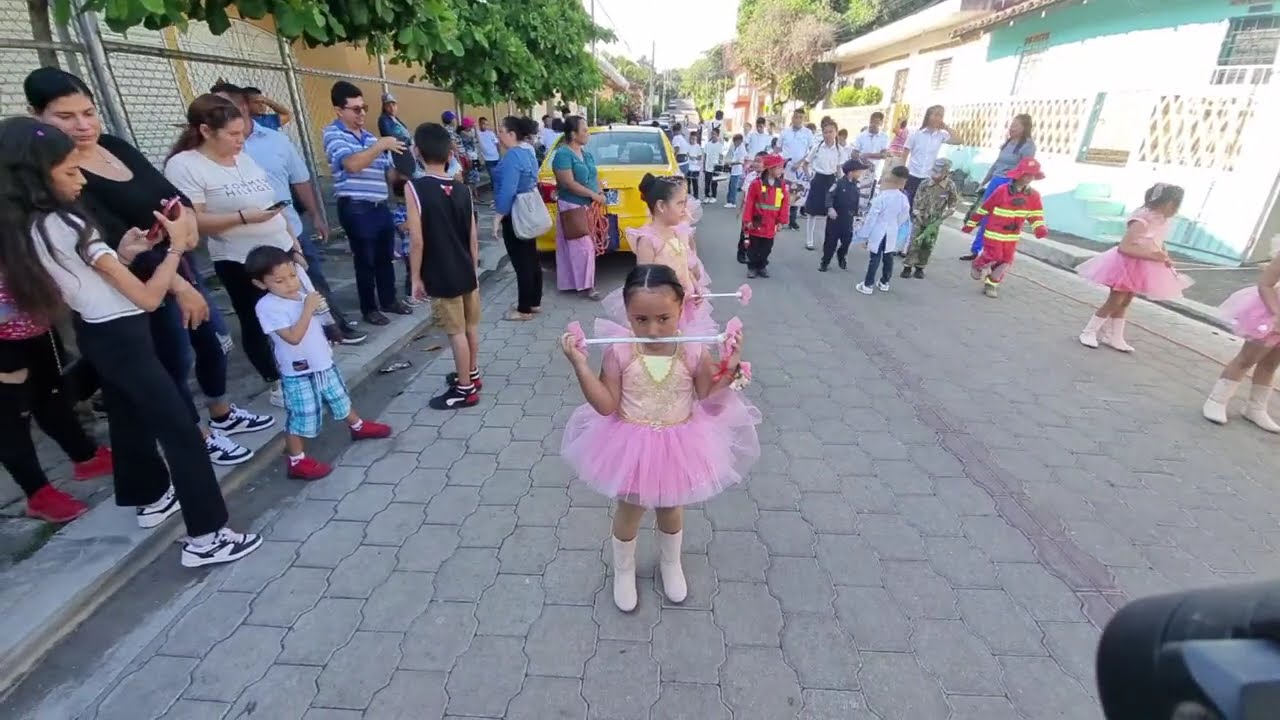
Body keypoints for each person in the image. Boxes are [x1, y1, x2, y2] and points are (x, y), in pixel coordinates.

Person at [4, 116, 262, 566]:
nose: (80, 178)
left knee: (127, 415)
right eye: (68, 171)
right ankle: (208, 537)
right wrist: (178, 247)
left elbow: (89, 279)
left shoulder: (29, 225)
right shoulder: (68, 225)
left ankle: (149, 496)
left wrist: (125, 252)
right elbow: (146, 297)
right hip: (122, 332)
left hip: (103, 334)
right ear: (36, 178)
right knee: (182, 431)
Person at [26, 67, 266, 465]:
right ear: (38, 117)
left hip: (179, 266)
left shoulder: (115, 146)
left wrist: (186, 227)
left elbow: (173, 197)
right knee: (170, 363)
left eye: (88, 112)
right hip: (137, 289)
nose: (83, 126)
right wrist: (179, 282)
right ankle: (193, 435)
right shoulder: (62, 179)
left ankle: (220, 415)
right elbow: (112, 241)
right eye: (65, 117)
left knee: (211, 344)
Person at [560, 263, 760, 610]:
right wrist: (579, 365)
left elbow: (707, 398)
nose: (653, 330)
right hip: (631, 445)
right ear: (627, 314)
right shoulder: (619, 351)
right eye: (641, 320)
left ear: (681, 309)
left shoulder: (693, 349)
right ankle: (623, 570)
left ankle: (670, 562)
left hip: (678, 443)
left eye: (664, 318)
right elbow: (607, 405)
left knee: (671, 506)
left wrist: (730, 367)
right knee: (631, 507)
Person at [164, 94, 304, 409]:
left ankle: (300, 369)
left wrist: (293, 241)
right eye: (233, 134)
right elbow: (192, 220)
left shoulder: (243, 157)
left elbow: (271, 202)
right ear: (205, 131)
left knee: (295, 311)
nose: (241, 140)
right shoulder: (185, 165)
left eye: (243, 133)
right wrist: (242, 218)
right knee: (258, 322)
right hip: (241, 260)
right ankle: (276, 382)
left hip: (279, 248)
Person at [213, 82, 365, 345]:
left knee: (312, 283)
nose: (222, 112)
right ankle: (280, 353)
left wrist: (316, 215)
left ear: (244, 106)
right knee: (260, 302)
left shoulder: (275, 138)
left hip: (288, 231)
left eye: (228, 105)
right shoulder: (211, 152)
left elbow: (300, 180)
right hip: (240, 245)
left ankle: (334, 330)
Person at [248, 247, 391, 480]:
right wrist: (308, 309)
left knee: (338, 396)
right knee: (302, 413)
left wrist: (328, 333)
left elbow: (318, 324)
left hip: (322, 361)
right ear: (261, 284)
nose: (290, 284)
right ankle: (296, 460)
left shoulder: (303, 295)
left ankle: (357, 426)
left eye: (292, 276)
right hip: (298, 371)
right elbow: (293, 338)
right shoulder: (268, 307)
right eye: (280, 281)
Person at [0, 286, 112, 523]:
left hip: (37, 328)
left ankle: (86, 457)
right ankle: (37, 493)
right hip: (5, 345)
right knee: (10, 421)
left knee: (51, 398)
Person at [406, 123, 484, 410]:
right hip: (466, 270)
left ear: (417, 151)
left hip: (441, 272)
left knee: (456, 332)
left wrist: (415, 277)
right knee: (470, 327)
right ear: (450, 153)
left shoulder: (415, 188)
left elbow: (417, 240)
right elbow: (473, 237)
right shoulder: (462, 189)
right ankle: (472, 374)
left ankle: (464, 390)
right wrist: (472, 267)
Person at [323, 81, 413, 326]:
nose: (362, 113)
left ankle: (389, 300)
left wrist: (409, 175)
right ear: (339, 110)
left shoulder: (370, 137)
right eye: (355, 109)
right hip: (356, 207)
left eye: (364, 108)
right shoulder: (333, 134)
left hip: (379, 204)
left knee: (385, 257)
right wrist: (381, 145)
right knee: (365, 260)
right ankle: (369, 308)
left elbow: (388, 173)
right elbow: (352, 164)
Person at [1077, 184, 1191, 351]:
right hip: (1125, 265)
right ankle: (1089, 331)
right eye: (1175, 204)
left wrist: (1164, 256)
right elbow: (1125, 247)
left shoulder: (1162, 221)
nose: (1176, 209)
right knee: (1115, 300)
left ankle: (1114, 336)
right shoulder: (1141, 221)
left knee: (1126, 301)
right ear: (1166, 203)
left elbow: (1157, 241)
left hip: (1142, 265)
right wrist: (1153, 256)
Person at [602, 174, 715, 336]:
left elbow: (683, 265)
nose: (685, 209)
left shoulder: (676, 232)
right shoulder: (648, 240)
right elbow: (646, 282)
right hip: (663, 309)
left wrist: (695, 286)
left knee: (684, 348)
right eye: (680, 203)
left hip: (684, 303)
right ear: (661, 206)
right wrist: (676, 296)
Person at [1203, 251, 1280, 431]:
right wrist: (1276, 313)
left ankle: (1256, 408)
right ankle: (1217, 400)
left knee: (1271, 365)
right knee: (1247, 359)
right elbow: (1265, 284)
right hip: (1272, 315)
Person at [964, 157, 1048, 299]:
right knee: (994, 255)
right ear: (1019, 174)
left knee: (1006, 260)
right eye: (1026, 174)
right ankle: (978, 263)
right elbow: (985, 208)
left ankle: (991, 284)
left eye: (1031, 175)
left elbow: (1036, 215)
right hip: (994, 232)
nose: (1028, 178)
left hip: (1012, 235)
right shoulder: (1002, 191)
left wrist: (1039, 228)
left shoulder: (1034, 196)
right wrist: (971, 224)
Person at [960, 114, 1036, 262]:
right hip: (995, 181)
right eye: (1011, 124)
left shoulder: (1028, 146)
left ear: (1025, 128)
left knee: (1000, 221)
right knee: (984, 215)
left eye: (1016, 125)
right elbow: (996, 164)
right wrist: (984, 182)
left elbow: (1026, 170)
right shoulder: (1008, 142)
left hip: (1009, 185)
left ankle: (994, 253)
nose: (1012, 128)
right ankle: (976, 250)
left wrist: (1019, 189)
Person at [491, 116, 544, 322]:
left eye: (501, 131)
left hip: (515, 213)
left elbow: (508, 190)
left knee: (521, 262)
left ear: (512, 134)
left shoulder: (513, 156)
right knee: (531, 257)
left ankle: (524, 309)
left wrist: (497, 217)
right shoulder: (528, 152)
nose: (498, 136)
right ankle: (534, 301)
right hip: (527, 211)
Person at [552, 116, 605, 301]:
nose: (587, 133)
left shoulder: (586, 154)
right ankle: (588, 286)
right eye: (585, 130)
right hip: (572, 206)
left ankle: (577, 283)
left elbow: (594, 176)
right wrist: (592, 195)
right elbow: (568, 183)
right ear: (573, 134)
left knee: (579, 246)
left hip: (588, 207)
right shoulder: (563, 155)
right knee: (583, 247)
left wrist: (599, 192)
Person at [854, 166, 912, 295]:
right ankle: (885, 282)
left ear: (890, 178)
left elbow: (871, 218)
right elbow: (904, 215)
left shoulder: (882, 197)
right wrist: (895, 224)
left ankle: (868, 284)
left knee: (875, 257)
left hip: (879, 230)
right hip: (892, 230)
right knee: (888, 257)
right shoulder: (903, 198)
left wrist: (864, 234)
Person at [902, 158, 961, 279]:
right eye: (934, 171)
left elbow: (953, 203)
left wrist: (947, 213)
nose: (935, 175)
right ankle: (907, 266)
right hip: (920, 218)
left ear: (946, 173)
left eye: (939, 172)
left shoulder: (950, 186)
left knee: (928, 244)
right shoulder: (925, 183)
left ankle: (920, 267)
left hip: (935, 220)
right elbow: (916, 200)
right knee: (914, 242)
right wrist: (917, 213)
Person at [742, 154, 790, 279]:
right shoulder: (756, 184)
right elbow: (750, 202)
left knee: (767, 247)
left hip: (771, 223)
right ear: (770, 169)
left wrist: (781, 221)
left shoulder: (782, 186)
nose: (781, 170)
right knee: (753, 246)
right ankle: (752, 267)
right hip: (757, 222)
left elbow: (785, 204)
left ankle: (762, 266)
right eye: (779, 167)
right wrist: (747, 219)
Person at [819, 157, 871, 272]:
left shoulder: (857, 185)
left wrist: (858, 215)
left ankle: (841, 255)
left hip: (848, 218)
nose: (861, 174)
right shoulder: (839, 184)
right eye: (859, 171)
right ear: (851, 172)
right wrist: (830, 208)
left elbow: (857, 201)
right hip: (835, 218)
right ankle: (825, 262)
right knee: (830, 242)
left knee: (847, 240)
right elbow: (829, 196)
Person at [801, 122, 844, 251]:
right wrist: (810, 178)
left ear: (836, 132)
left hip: (831, 180)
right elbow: (805, 164)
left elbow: (839, 169)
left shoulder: (839, 150)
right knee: (812, 212)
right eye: (825, 132)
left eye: (831, 131)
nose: (828, 135)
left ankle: (828, 241)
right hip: (818, 179)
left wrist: (839, 184)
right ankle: (809, 240)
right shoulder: (818, 147)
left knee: (830, 212)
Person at [900, 105, 954, 205]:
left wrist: (946, 127)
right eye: (936, 115)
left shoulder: (941, 135)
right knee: (907, 205)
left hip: (928, 178)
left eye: (941, 116)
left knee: (921, 208)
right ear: (928, 116)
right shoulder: (915, 134)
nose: (938, 118)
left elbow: (958, 140)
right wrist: (902, 177)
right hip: (912, 175)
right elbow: (904, 155)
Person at [779, 109, 814, 229]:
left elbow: (811, 151)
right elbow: (778, 149)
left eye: (800, 117)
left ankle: (792, 220)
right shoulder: (785, 132)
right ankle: (780, 219)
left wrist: (800, 162)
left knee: (796, 193)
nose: (798, 119)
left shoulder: (808, 133)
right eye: (796, 117)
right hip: (785, 167)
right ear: (792, 118)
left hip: (799, 169)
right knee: (783, 192)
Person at [736, 152, 767, 264]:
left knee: (758, 234)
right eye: (755, 161)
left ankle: (756, 255)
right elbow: (744, 193)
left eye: (759, 161)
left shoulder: (768, 179)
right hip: (748, 210)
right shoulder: (750, 176)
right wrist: (740, 209)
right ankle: (741, 253)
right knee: (745, 233)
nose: (756, 164)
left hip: (761, 211)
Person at [854, 111, 891, 183]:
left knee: (872, 192)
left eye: (877, 122)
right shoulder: (861, 136)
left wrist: (867, 155)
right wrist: (864, 159)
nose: (874, 124)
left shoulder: (884, 137)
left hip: (876, 172)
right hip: (861, 171)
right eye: (872, 121)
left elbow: (883, 155)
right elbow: (854, 153)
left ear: (881, 123)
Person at [476, 117, 501, 188]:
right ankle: (495, 188)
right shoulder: (477, 133)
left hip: (495, 156)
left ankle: (497, 187)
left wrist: (499, 154)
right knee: (492, 174)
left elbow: (497, 143)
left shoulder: (490, 133)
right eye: (483, 124)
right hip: (487, 158)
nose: (485, 126)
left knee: (497, 173)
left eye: (487, 124)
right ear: (480, 124)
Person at [702, 128, 726, 202]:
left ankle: (714, 196)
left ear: (718, 135)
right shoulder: (707, 145)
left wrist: (720, 166)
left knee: (714, 183)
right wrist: (703, 165)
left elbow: (721, 157)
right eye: (712, 134)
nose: (713, 135)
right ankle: (706, 196)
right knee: (707, 182)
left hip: (715, 167)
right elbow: (705, 155)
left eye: (714, 134)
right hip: (707, 166)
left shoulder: (720, 146)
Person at [725, 133, 747, 208]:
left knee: (733, 186)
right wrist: (728, 161)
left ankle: (732, 202)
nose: (735, 143)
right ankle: (729, 200)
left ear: (740, 141)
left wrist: (732, 163)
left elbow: (741, 161)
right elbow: (730, 155)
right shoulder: (733, 146)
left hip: (737, 169)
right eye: (734, 142)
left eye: (736, 142)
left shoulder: (742, 148)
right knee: (730, 185)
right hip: (732, 169)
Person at [684, 130, 703, 200]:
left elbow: (700, 157)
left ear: (696, 139)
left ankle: (696, 197)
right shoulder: (686, 145)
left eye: (693, 139)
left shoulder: (697, 146)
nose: (692, 140)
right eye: (691, 138)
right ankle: (688, 196)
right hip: (688, 166)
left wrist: (694, 157)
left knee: (695, 182)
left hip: (695, 167)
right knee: (687, 182)